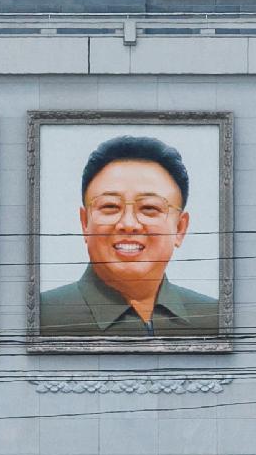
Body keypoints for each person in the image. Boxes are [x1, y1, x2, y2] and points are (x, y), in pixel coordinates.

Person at [38, 133, 220, 338]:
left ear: (179, 228)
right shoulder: (40, 317)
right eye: (110, 206)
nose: (128, 224)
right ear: (84, 223)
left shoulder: (217, 319)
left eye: (149, 208)